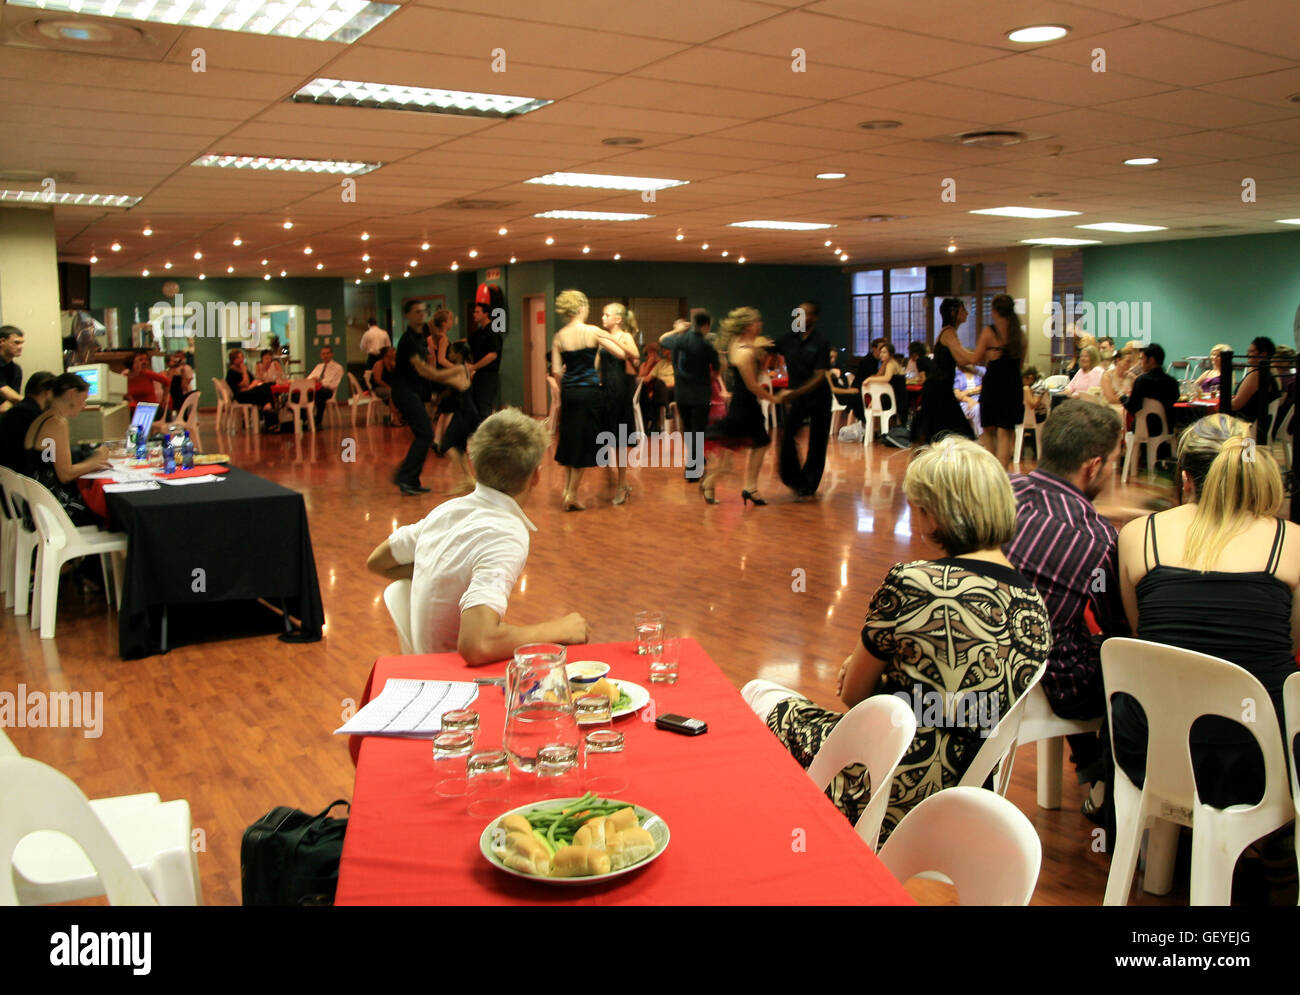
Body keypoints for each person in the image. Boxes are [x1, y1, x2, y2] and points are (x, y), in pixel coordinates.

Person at [741, 436, 1051, 844]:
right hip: (970, 800)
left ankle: (773, 845)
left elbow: (853, 695)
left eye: (919, 508)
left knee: (757, 695)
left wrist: (874, 675)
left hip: (885, 786)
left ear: (936, 515)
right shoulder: (1034, 606)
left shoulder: (915, 582)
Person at [1116, 414, 1297, 810]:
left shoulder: (1138, 536)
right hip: (1257, 762)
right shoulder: (1292, 542)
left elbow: (1143, 631)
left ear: (1184, 479)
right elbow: (1289, 645)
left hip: (1150, 752)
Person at [366, 408, 591, 662]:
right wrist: (558, 629)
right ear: (536, 476)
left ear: (473, 464)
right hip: (454, 681)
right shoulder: (506, 534)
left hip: (426, 664)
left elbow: (377, 560)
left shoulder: (446, 512)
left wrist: (440, 571)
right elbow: (478, 643)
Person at [1005, 401, 1127, 812]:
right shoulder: (1096, 536)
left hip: (980, 658)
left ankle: (1091, 766)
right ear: (1093, 466)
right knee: (1124, 667)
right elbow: (1117, 629)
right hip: (1045, 679)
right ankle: (1110, 786)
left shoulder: (1000, 490)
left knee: (1061, 631)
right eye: (1113, 462)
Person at [699, 307, 787, 505]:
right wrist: (775, 399)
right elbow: (753, 386)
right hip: (744, 405)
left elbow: (752, 350)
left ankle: (738, 486)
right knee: (756, 443)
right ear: (749, 325)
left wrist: (761, 347)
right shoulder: (744, 352)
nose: (760, 325)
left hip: (744, 404)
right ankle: (732, 485)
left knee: (751, 446)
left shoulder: (739, 343)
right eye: (757, 322)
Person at [551, 289, 629, 511]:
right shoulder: (593, 331)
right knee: (583, 442)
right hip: (589, 393)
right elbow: (621, 354)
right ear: (581, 308)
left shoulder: (559, 336)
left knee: (569, 440)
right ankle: (571, 494)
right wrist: (612, 338)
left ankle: (568, 491)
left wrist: (568, 379)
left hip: (569, 392)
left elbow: (557, 372)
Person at [390, 300, 469, 495]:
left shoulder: (420, 335)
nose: (421, 315)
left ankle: (410, 478)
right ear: (407, 315)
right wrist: (456, 373)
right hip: (404, 392)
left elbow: (435, 330)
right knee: (425, 433)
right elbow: (426, 372)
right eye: (416, 312)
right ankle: (405, 477)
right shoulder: (408, 341)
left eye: (423, 311)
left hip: (415, 391)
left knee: (424, 434)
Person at [23, 373, 110, 526]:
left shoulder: (42, 418)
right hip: (51, 510)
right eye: (83, 399)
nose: (84, 405)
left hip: (35, 505)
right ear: (71, 394)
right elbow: (66, 474)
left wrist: (91, 464)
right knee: (109, 514)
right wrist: (95, 460)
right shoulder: (57, 423)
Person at [775, 300, 833, 499]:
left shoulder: (820, 342)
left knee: (818, 441)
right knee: (788, 433)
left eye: (805, 313)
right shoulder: (788, 339)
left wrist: (793, 393)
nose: (799, 316)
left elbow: (819, 377)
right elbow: (769, 348)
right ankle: (793, 478)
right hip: (799, 397)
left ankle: (809, 485)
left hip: (819, 397)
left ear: (814, 318)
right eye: (798, 313)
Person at [660, 312, 716, 486]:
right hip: (700, 394)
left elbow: (662, 339)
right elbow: (717, 369)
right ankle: (693, 469)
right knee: (698, 430)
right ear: (706, 325)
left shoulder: (677, 341)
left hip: (682, 394)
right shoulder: (707, 344)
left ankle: (697, 460)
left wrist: (677, 329)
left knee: (689, 429)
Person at [975, 293, 1027, 467]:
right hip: (1013, 385)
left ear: (995, 311)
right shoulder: (1019, 335)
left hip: (994, 384)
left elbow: (976, 358)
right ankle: (1003, 476)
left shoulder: (990, 332)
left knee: (988, 430)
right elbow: (1019, 365)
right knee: (1006, 432)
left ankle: (992, 474)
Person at [915, 299, 976, 443]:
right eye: (963, 310)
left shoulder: (949, 332)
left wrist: (977, 370)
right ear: (953, 313)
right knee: (957, 432)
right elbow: (963, 358)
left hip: (940, 388)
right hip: (939, 389)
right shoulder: (949, 333)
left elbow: (959, 362)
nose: (966, 313)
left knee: (938, 433)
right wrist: (984, 352)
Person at [598, 303, 641, 501]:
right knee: (610, 436)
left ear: (618, 319)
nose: (603, 318)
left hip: (620, 391)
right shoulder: (602, 339)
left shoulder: (625, 336)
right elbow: (597, 364)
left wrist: (611, 340)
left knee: (621, 439)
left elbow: (635, 354)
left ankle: (622, 484)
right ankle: (622, 482)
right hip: (607, 389)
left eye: (607, 315)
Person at [439, 341, 482, 493]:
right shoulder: (464, 368)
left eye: (450, 351)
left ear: (457, 354)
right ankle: (468, 479)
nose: (448, 354)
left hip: (465, 412)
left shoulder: (459, 368)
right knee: (460, 447)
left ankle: (468, 478)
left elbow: (439, 367)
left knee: (447, 444)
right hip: (465, 411)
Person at [1124, 343, 1180, 444]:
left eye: (1142, 359)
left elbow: (1133, 407)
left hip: (1144, 428)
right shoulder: (1172, 382)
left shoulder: (1142, 381)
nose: (1141, 363)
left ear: (1151, 360)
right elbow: (1176, 398)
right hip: (1167, 427)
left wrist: (1123, 398)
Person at [0, 371, 54, 471]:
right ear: (47, 392)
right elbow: (47, 459)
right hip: (26, 476)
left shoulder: (17, 411)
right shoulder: (35, 417)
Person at [1231, 335, 1279, 443]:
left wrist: (1215, 403)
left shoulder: (1257, 374)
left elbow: (1236, 404)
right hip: (1256, 425)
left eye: (1252, 351)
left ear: (1263, 354)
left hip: (1247, 427)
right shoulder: (1266, 372)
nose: (1248, 354)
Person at [466, 301, 504, 417]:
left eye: (477, 312)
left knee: (484, 407)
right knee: (477, 406)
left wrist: (473, 367)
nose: (474, 314)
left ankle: (487, 434)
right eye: (474, 312)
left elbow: (493, 355)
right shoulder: (479, 333)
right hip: (479, 375)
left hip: (489, 376)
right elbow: (467, 342)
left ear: (486, 314)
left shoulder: (493, 332)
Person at [226, 348, 277, 432]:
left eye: (242, 357)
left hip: (250, 391)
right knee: (265, 394)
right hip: (241, 396)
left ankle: (268, 409)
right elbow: (245, 384)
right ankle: (269, 413)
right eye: (238, 358)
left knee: (268, 386)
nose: (241, 359)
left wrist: (250, 386)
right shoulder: (232, 372)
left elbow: (254, 381)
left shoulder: (244, 369)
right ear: (233, 360)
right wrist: (244, 372)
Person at [305, 346, 344, 430]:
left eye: (327, 353)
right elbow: (309, 378)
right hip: (315, 390)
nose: (325, 356)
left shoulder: (337, 367)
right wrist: (313, 380)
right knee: (302, 395)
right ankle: (305, 417)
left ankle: (317, 419)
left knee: (320, 394)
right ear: (321, 355)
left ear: (331, 354)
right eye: (323, 354)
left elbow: (334, 384)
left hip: (328, 390)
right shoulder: (319, 366)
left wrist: (320, 382)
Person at [636, 343, 674, 431]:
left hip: (672, 389)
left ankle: (655, 423)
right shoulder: (661, 364)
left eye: (654, 352)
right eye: (664, 351)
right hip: (658, 392)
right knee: (656, 386)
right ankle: (649, 423)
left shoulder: (677, 363)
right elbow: (646, 379)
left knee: (659, 385)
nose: (666, 352)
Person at [0, 326, 25, 412]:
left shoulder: (16, 369)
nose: (21, 347)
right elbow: (7, 393)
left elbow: (13, 399)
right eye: (16, 343)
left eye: (22, 343)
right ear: (2, 342)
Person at [166, 350, 198, 416]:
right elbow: (167, 384)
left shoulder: (184, 369)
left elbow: (184, 387)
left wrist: (183, 373)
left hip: (181, 394)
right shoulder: (167, 372)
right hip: (172, 396)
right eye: (175, 358)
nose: (177, 360)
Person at [955, 364, 983, 436]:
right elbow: (957, 394)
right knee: (977, 408)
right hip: (964, 401)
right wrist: (969, 400)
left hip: (980, 398)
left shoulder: (980, 370)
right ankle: (981, 436)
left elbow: (983, 386)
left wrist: (967, 391)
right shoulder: (957, 373)